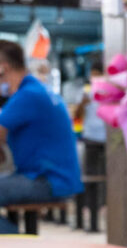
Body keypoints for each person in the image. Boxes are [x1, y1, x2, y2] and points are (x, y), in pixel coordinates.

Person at [0, 41, 82, 234]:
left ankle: (17, 244)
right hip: (53, 177)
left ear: (3, 67)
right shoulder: (38, 90)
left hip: (47, 180)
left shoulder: (28, 95)